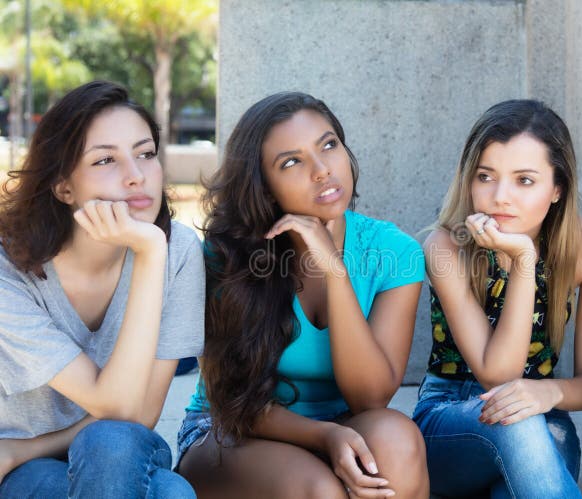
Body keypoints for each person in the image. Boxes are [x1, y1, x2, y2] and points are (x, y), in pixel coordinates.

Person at [176, 92, 429, 498]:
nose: (322, 170)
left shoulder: (394, 252)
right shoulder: (226, 256)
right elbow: (232, 401)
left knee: (397, 440)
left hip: (342, 420)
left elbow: (370, 399)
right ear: (264, 186)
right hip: (230, 431)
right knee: (318, 489)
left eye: (329, 145)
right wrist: (323, 436)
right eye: (291, 162)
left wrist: (335, 272)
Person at [0, 81, 204, 498]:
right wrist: (26, 454)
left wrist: (150, 253)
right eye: (106, 159)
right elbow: (119, 409)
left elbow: (136, 415)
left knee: (111, 442)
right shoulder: (9, 271)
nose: (136, 176)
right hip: (30, 473)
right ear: (63, 186)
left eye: (145, 154)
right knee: (170, 493)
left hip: (113, 452)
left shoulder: (175, 250)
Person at [412, 99, 582, 498]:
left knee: (528, 453)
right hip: (449, 416)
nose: (500, 196)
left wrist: (548, 392)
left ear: (557, 189)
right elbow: (499, 375)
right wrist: (524, 260)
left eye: (524, 180)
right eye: (485, 176)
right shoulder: (445, 247)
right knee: (516, 422)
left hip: (539, 411)